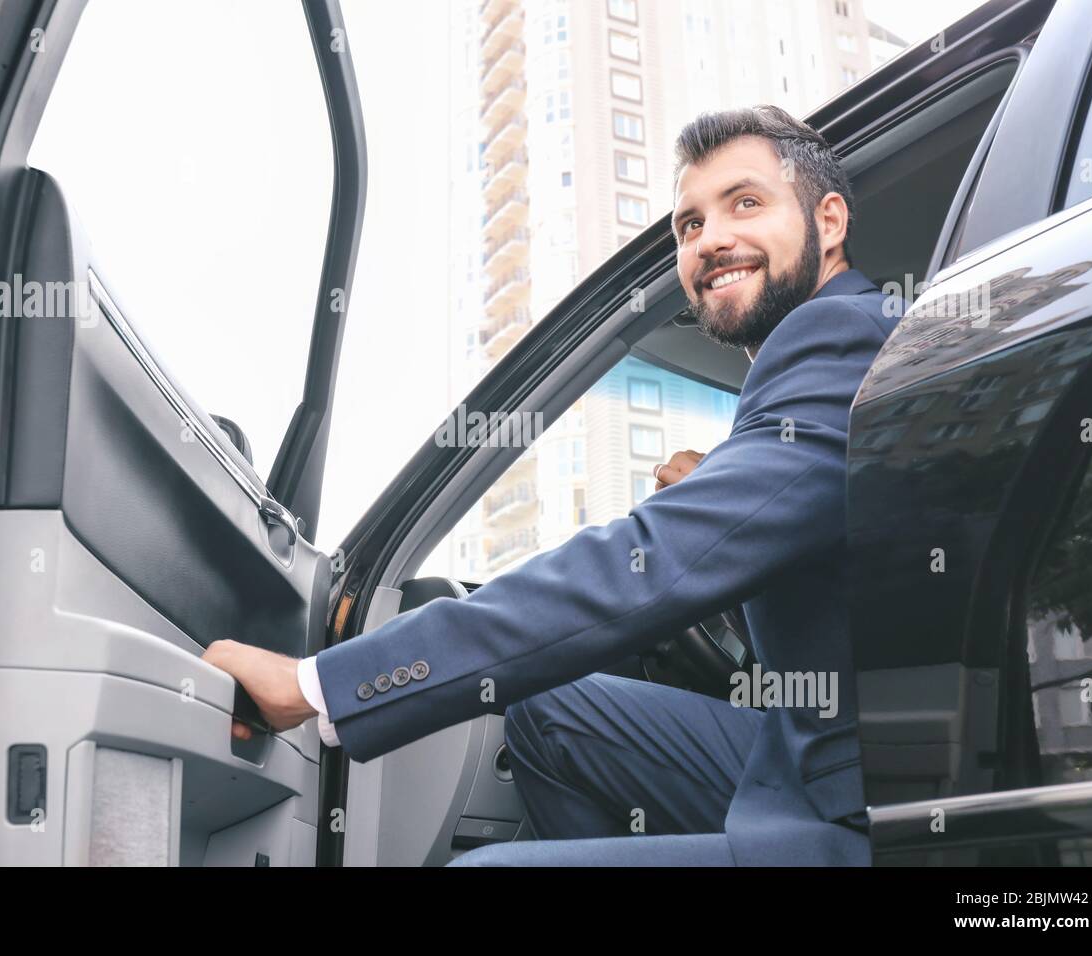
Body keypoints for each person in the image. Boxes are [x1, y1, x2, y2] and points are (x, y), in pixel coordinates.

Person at [203, 105, 899, 866]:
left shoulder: (838, 338)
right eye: (689, 225)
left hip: (870, 810)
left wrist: (315, 684)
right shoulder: (813, 367)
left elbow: (646, 563)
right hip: (808, 761)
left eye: (745, 203)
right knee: (542, 711)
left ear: (829, 220)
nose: (712, 239)